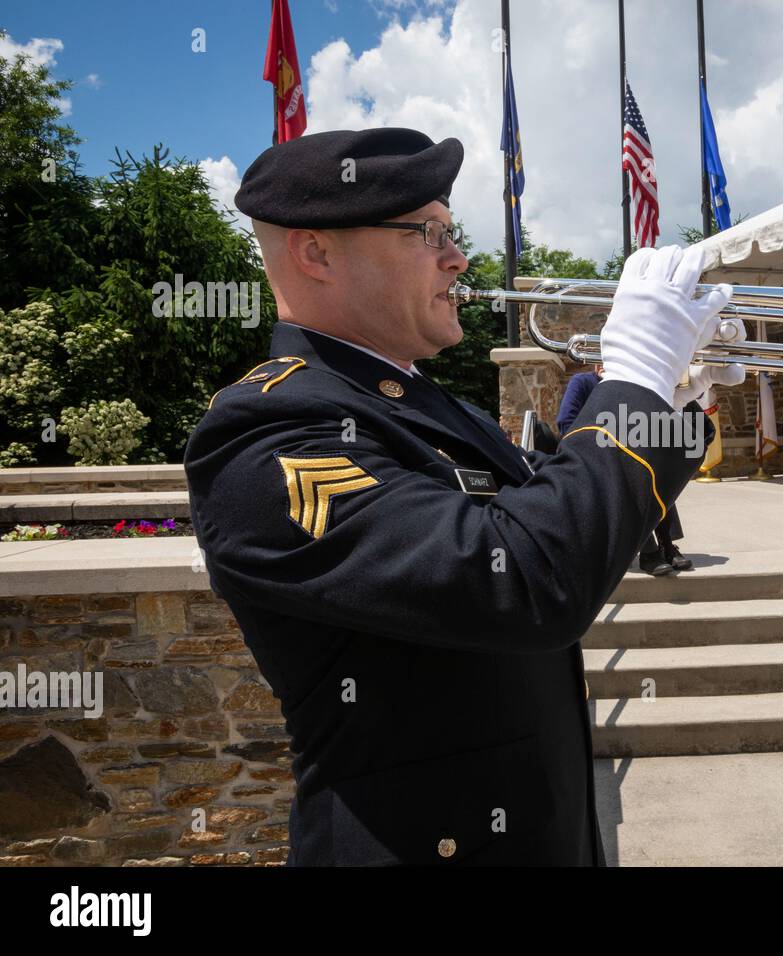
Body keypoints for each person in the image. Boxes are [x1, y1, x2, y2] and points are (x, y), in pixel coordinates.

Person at [183, 127, 744, 866]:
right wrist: (633, 373)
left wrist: (661, 402)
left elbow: (553, 511)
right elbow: (527, 577)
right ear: (316, 253)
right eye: (429, 233)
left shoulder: (427, 406)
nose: (459, 258)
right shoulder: (267, 433)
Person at [557, 366, 690, 575]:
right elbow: (566, 422)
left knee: (654, 473)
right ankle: (648, 551)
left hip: (626, 455)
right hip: (590, 458)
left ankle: (666, 544)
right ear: (598, 365)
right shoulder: (582, 382)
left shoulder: (631, 385)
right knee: (628, 481)